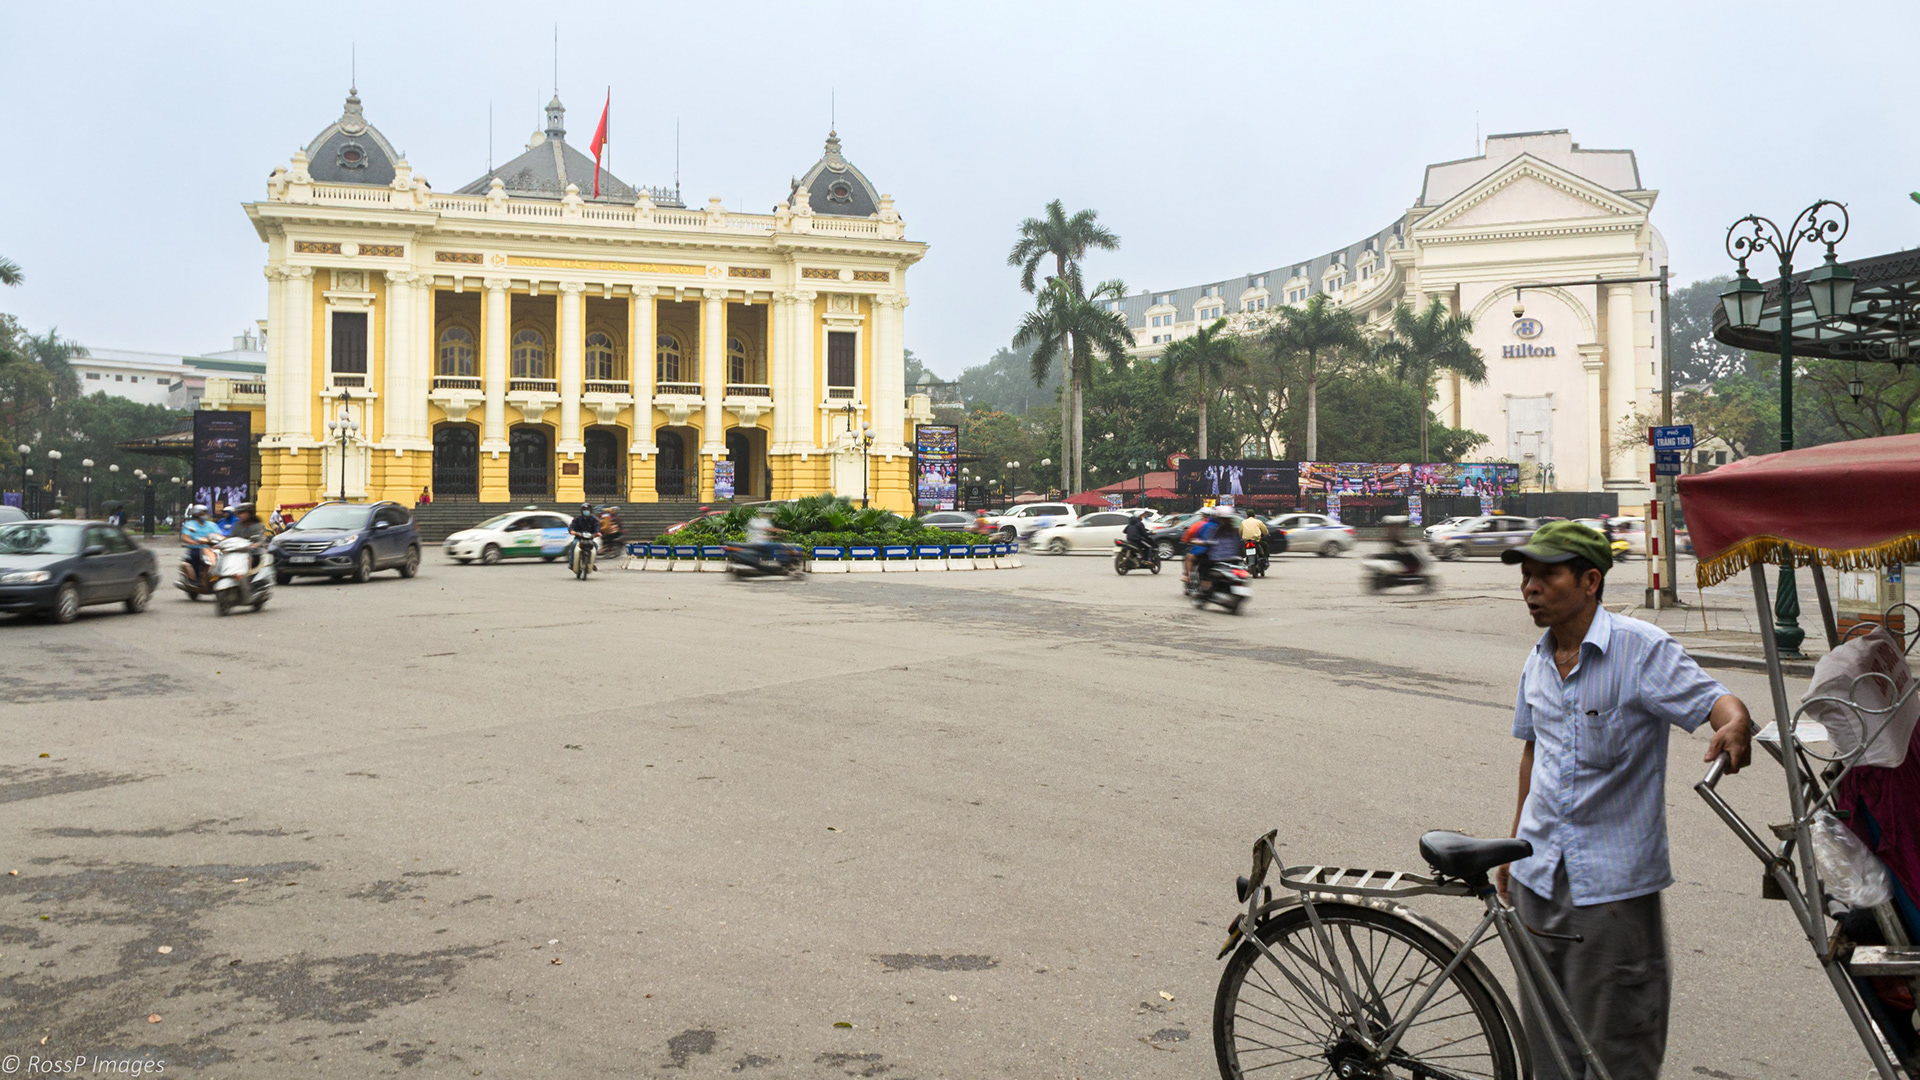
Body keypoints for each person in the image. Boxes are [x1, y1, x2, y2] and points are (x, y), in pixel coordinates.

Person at [1494, 521, 1752, 1080]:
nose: (1530, 588)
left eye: (1546, 575)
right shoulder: (1536, 660)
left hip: (1611, 891)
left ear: (1590, 581)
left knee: (1618, 1050)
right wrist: (1516, 851)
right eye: (1526, 576)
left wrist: (1734, 724)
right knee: (1547, 1045)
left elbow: (1716, 701)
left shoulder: (1640, 650)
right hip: (1538, 880)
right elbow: (1533, 756)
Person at [180, 504, 223, 588]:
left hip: (210, 548)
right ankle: (196, 579)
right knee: (195, 556)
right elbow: (185, 537)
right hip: (197, 548)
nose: (205, 515)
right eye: (202, 513)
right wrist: (193, 542)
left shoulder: (212, 525)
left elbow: (219, 535)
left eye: (205, 513)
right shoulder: (190, 525)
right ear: (196, 514)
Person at [567, 502, 600, 572]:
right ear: (582, 511)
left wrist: (598, 532)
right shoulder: (577, 519)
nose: (586, 511)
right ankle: (571, 563)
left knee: (596, 546)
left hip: (589, 539)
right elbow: (571, 526)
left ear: (590, 511)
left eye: (587, 509)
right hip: (579, 538)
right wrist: (572, 531)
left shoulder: (593, 520)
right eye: (585, 510)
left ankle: (592, 562)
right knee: (573, 545)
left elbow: (597, 527)